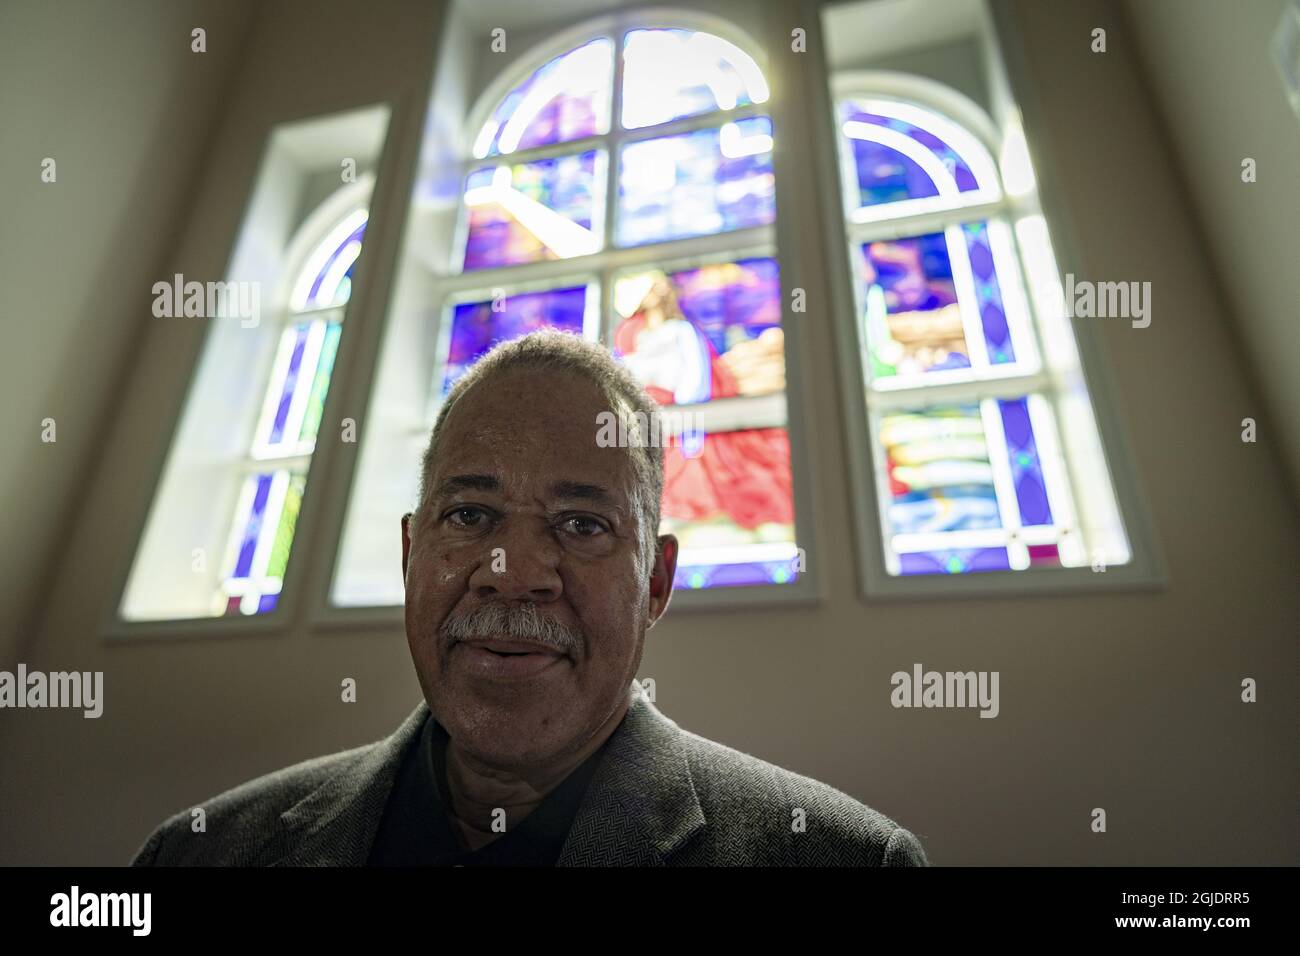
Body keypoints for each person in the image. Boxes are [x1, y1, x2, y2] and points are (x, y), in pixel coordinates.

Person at [131, 330, 927, 866]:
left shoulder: (844, 860)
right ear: (412, 555)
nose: (512, 572)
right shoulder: (202, 852)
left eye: (581, 524)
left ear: (654, 583)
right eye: (470, 516)